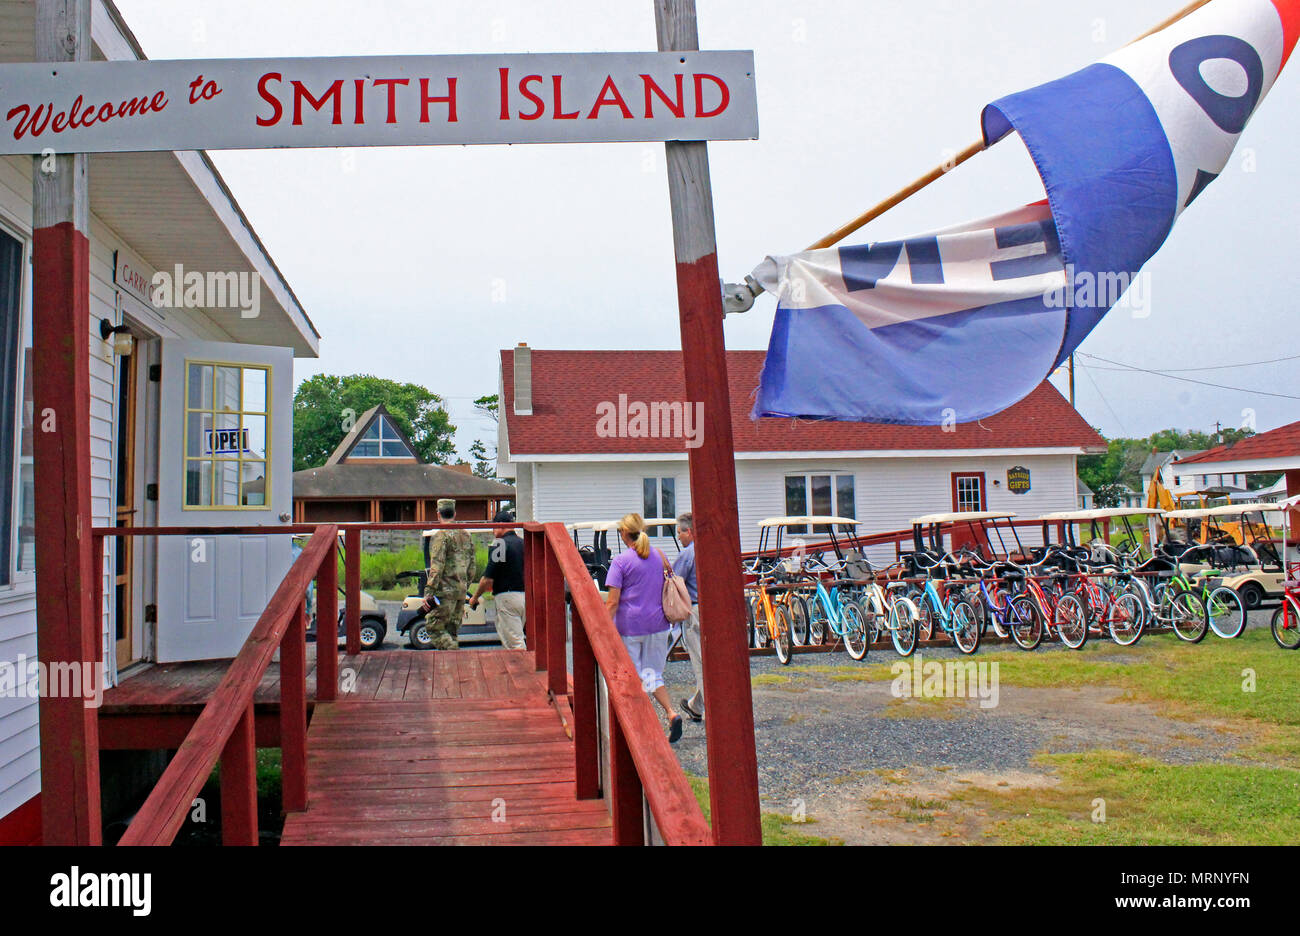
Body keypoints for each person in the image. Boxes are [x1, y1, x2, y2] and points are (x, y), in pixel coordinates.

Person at [605, 513, 683, 743]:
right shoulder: (659, 555)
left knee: (633, 677)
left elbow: (612, 602)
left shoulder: (621, 562)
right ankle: (671, 712)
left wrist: (604, 628)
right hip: (659, 624)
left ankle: (641, 727)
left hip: (631, 627)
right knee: (651, 674)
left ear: (623, 533)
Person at [419, 498, 476, 650]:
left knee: (434, 627)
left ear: (438, 514)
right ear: (454, 513)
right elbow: (472, 566)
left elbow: (437, 566)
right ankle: (452, 666)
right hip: (461, 589)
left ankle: (455, 655)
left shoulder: (441, 536)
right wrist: (465, 584)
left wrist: (429, 591)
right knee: (452, 630)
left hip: (444, 590)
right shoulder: (466, 535)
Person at [470, 509, 526, 650]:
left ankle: (521, 671)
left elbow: (487, 579)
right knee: (518, 637)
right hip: (526, 597)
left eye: (494, 527)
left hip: (507, 597)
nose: (492, 531)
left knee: (514, 644)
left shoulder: (500, 545)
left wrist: (475, 597)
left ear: (501, 526)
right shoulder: (523, 543)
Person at [674, 512, 703, 722]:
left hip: (695, 611)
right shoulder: (709, 551)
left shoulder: (687, 555)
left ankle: (708, 707)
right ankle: (696, 706)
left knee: (701, 663)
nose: (679, 537)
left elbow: (674, 582)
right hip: (713, 609)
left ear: (689, 531)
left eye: (680, 533)